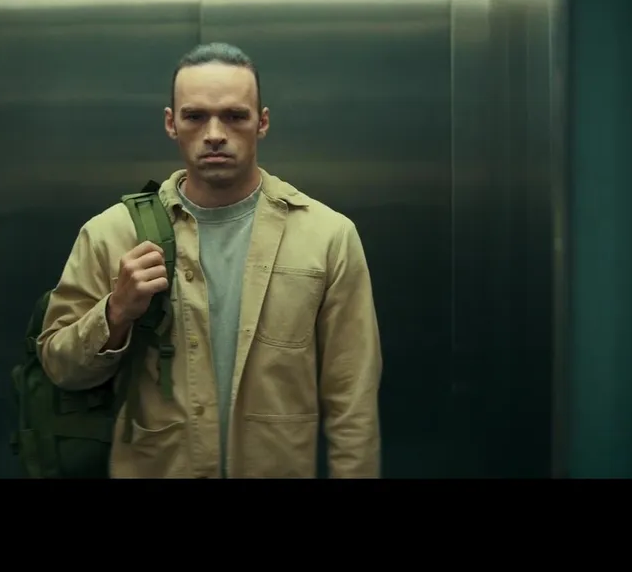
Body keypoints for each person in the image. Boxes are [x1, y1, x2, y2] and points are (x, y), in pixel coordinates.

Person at [36, 42, 382, 478]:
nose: (215, 133)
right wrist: (116, 312)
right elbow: (60, 367)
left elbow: (352, 395)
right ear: (171, 123)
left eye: (235, 116)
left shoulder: (327, 236)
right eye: (195, 116)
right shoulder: (112, 233)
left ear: (262, 122)